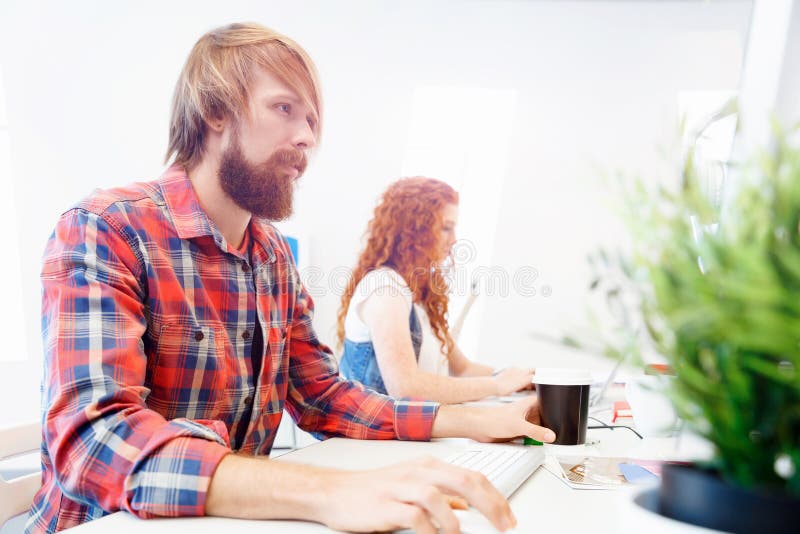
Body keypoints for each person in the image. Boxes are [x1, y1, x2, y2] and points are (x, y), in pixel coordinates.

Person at [27, 22, 556, 534]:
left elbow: (322, 396)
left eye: (312, 122)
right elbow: (96, 440)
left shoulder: (273, 254)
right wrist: (328, 492)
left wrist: (471, 421)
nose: (306, 139)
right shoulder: (107, 228)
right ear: (214, 110)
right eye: (284, 109)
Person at [337, 178, 535, 403]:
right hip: (375, 438)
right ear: (413, 229)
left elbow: (462, 370)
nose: (453, 240)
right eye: (445, 228)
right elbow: (405, 387)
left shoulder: (418, 294)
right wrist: (497, 385)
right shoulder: (385, 290)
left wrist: (520, 379)